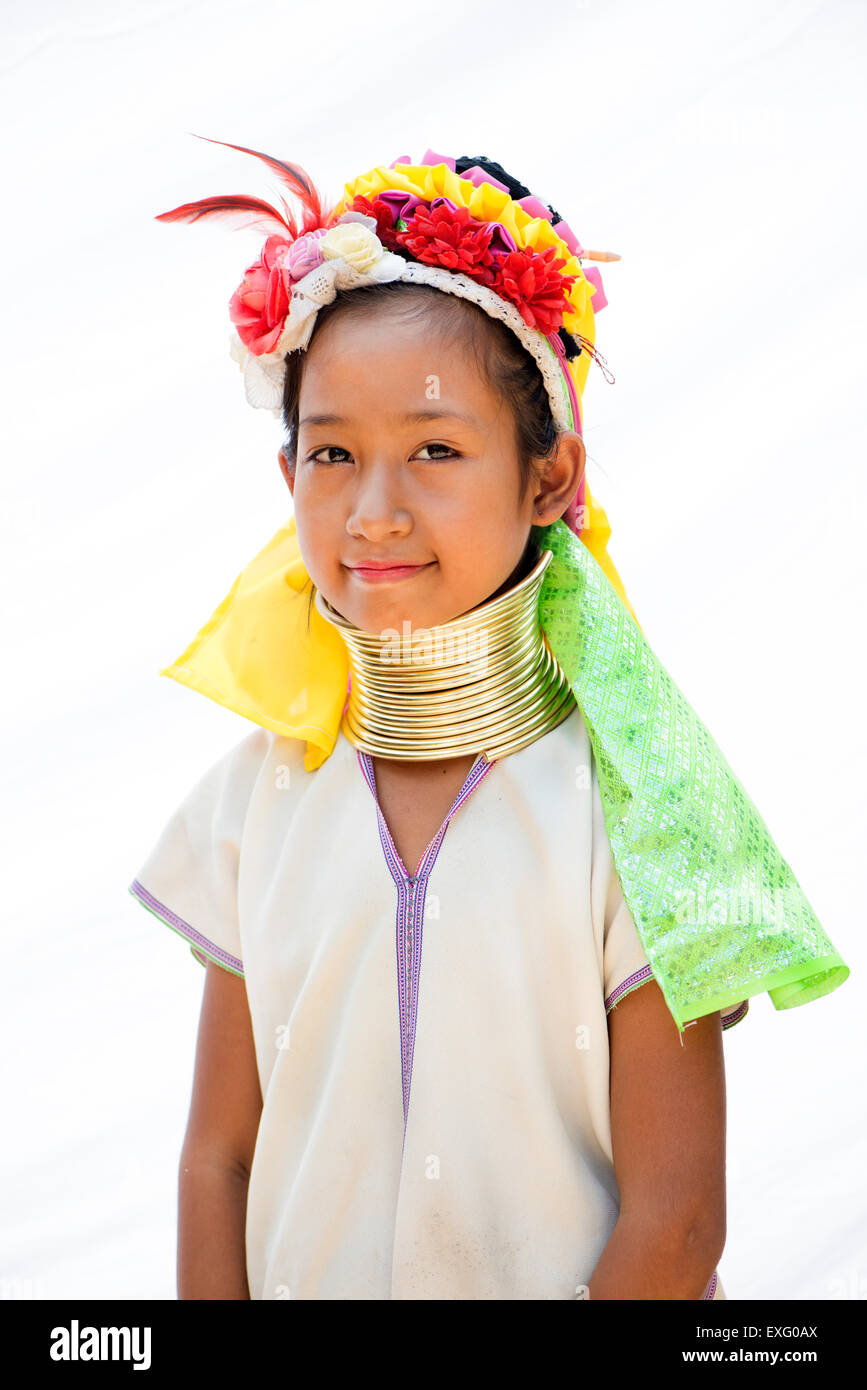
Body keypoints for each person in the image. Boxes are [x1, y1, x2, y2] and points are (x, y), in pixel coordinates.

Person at [129, 143, 849, 1301]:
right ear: (287, 478)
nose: (375, 510)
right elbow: (218, 1160)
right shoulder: (253, 801)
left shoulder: (639, 813)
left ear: (551, 478)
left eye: (435, 449)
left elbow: (678, 1223)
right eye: (332, 453)